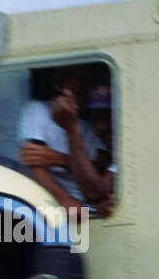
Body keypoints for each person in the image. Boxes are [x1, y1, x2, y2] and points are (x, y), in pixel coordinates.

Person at [17, 67, 116, 217]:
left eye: (84, 81)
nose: (78, 85)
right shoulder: (38, 110)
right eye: (72, 78)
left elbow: (98, 170)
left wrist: (59, 158)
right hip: (55, 206)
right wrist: (63, 198)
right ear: (60, 81)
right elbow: (34, 164)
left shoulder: (93, 124)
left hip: (92, 207)